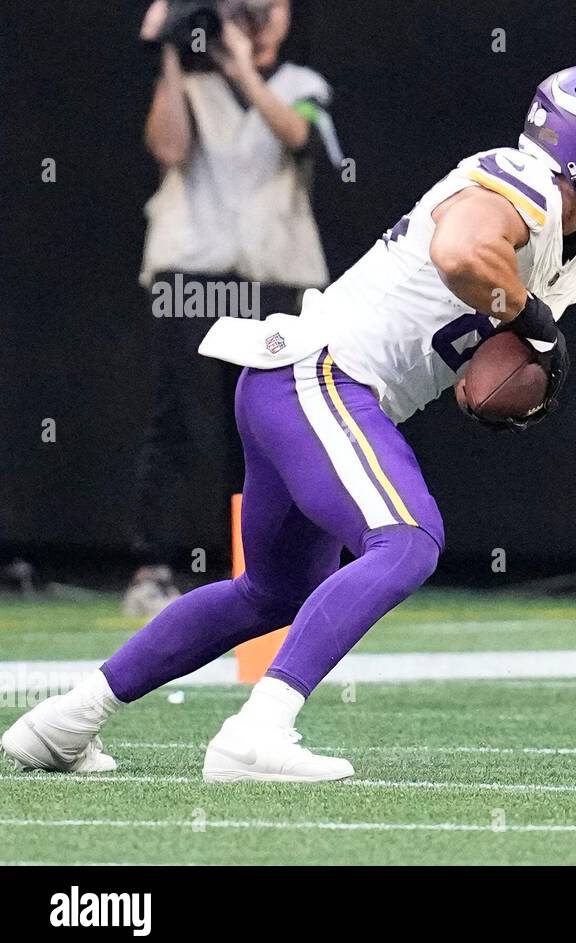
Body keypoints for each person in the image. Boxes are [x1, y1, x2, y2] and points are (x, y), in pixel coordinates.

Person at [3, 66, 576, 782]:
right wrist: (536, 323)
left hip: (299, 386)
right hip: (320, 377)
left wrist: (516, 372)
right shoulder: (523, 179)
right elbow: (459, 255)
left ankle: (64, 721)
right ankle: (257, 731)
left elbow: (476, 370)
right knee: (408, 540)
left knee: (272, 591)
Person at [126, 0, 343, 618]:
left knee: (269, 422)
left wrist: (244, 69)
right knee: (176, 416)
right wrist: (170, 52)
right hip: (191, 270)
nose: (254, 16)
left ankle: (269, 567)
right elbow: (169, 148)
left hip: (274, 275)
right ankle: (153, 566)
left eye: (267, 6)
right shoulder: (191, 86)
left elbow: (298, 137)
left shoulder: (304, 86)